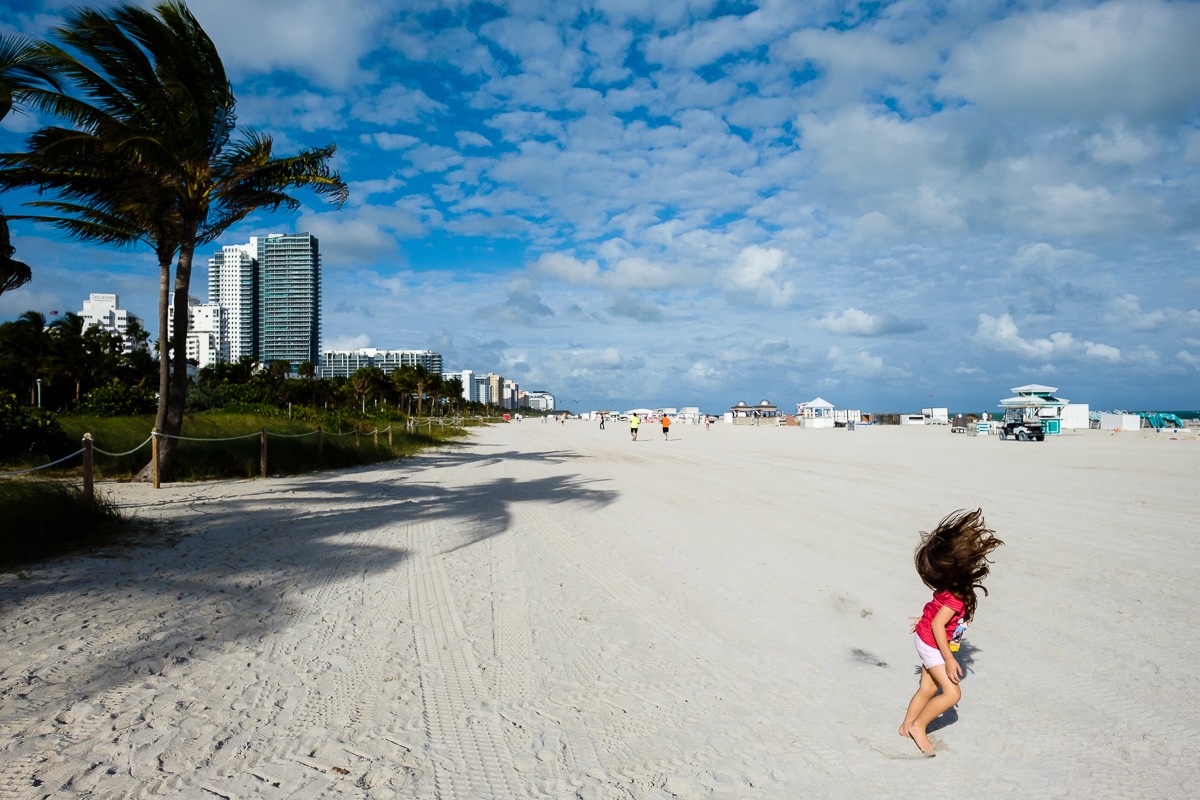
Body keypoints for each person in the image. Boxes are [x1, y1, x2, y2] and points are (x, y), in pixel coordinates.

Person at [899, 508, 1004, 757]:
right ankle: (918, 726)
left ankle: (905, 727)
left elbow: (936, 611)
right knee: (952, 693)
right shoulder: (956, 596)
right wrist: (948, 658)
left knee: (928, 688)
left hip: (927, 638)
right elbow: (938, 624)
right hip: (931, 643)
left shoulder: (954, 587)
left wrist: (924, 620)